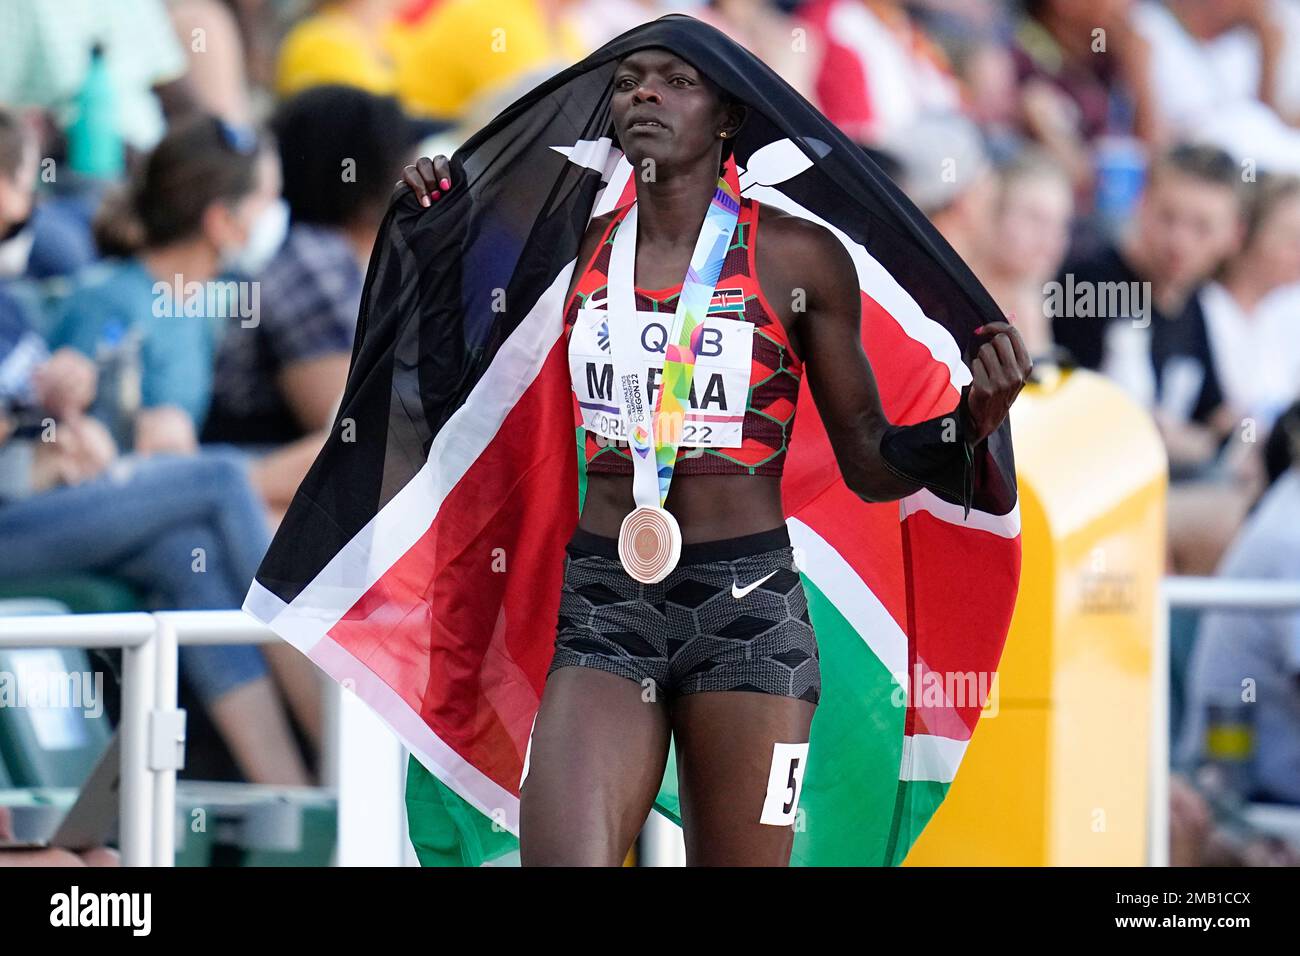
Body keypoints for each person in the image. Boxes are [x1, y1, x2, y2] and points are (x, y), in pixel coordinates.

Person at [397, 44, 1030, 865]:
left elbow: (871, 463)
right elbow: (462, 404)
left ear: (729, 117)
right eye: (627, 84)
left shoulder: (798, 258)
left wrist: (968, 423)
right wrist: (435, 250)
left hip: (749, 616)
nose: (645, 96)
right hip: (605, 607)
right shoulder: (573, 251)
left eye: (677, 82)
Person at [0, 285, 313, 785]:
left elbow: (46, 415)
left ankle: (296, 799)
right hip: (13, 521)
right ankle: (333, 735)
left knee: (186, 555)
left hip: (48, 500)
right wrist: (37, 430)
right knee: (223, 477)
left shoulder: (8, 300)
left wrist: (67, 408)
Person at [49, 114, 285, 456]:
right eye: (266, 199)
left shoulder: (208, 296)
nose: (275, 214)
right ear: (221, 220)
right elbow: (69, 444)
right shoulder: (106, 302)